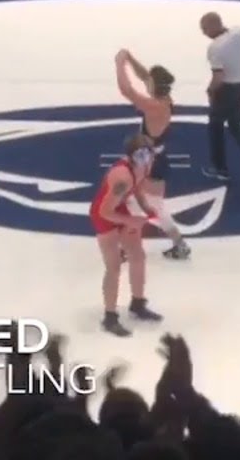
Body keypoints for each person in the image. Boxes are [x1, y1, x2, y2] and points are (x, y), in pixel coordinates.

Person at [115, 50, 191, 260]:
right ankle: (178, 244)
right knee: (146, 204)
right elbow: (145, 77)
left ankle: (128, 248)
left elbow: (126, 90)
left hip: (148, 162)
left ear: (154, 87)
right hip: (154, 158)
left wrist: (120, 64)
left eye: (149, 82)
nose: (146, 82)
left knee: (138, 203)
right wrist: (130, 59)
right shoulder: (164, 100)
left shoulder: (154, 107)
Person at [90, 133, 165, 337]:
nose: (147, 159)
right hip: (104, 215)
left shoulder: (143, 167)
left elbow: (137, 185)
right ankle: (110, 317)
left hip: (119, 208)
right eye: (142, 155)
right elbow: (104, 211)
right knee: (114, 266)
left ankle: (137, 303)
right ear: (133, 156)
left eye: (149, 154)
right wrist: (131, 221)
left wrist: (145, 206)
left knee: (138, 256)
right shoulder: (122, 177)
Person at [200, 12, 240, 181]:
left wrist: (210, 91)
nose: (204, 33)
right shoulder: (239, 32)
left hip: (225, 91)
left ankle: (220, 168)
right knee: (235, 125)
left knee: (215, 127)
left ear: (213, 26)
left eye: (204, 29)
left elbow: (218, 76)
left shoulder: (215, 48)